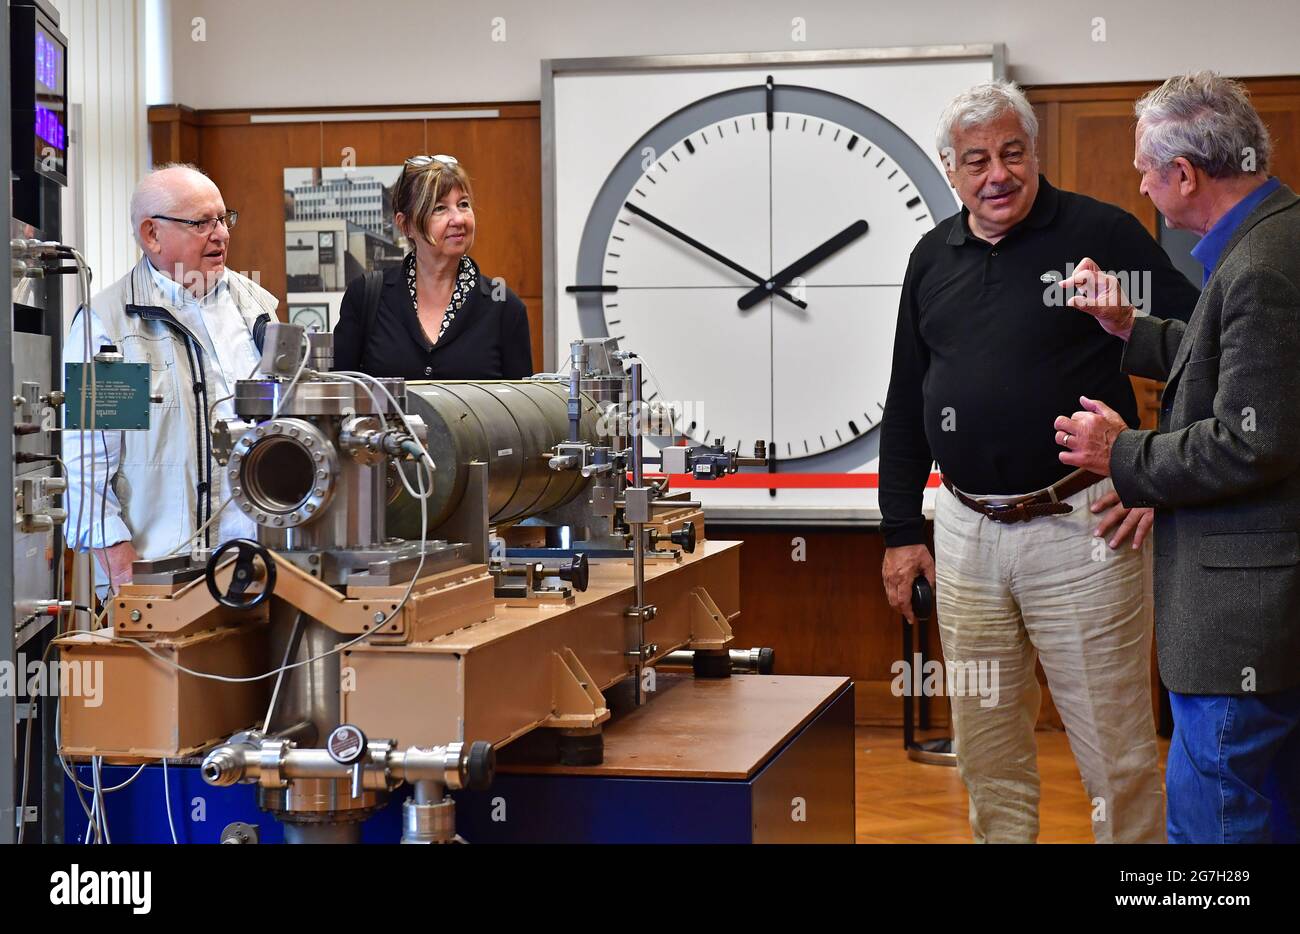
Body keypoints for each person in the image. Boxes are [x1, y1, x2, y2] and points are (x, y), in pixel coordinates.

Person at [879, 80, 1201, 843]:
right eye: (977, 160)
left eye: (1012, 154)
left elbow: (1209, 345)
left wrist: (1149, 465)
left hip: (1084, 528)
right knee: (986, 756)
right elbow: (905, 399)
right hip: (963, 533)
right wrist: (900, 531)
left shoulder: (1102, 232)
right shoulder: (932, 259)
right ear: (950, 171)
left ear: (1035, 154)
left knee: (1118, 760)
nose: (998, 175)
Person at [1055, 71, 1300, 844]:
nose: (1140, 182)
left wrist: (1120, 451)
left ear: (1185, 175)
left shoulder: (1259, 268)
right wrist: (1132, 328)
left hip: (1240, 622)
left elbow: (1250, 441)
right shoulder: (1274, 235)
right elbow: (1239, 371)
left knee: (1217, 833)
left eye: (1145, 169)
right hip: (1261, 615)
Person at [64, 164, 277, 593]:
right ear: (152, 235)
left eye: (223, 218)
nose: (221, 234)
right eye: (201, 223)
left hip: (258, 573)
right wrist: (128, 579)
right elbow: (87, 468)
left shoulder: (256, 309)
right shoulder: (112, 327)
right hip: (160, 580)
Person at [332, 154, 532, 379]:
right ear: (405, 225)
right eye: (439, 208)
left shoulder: (504, 306)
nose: (458, 219)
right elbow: (340, 398)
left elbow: (520, 410)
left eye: (463, 204)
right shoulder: (366, 297)